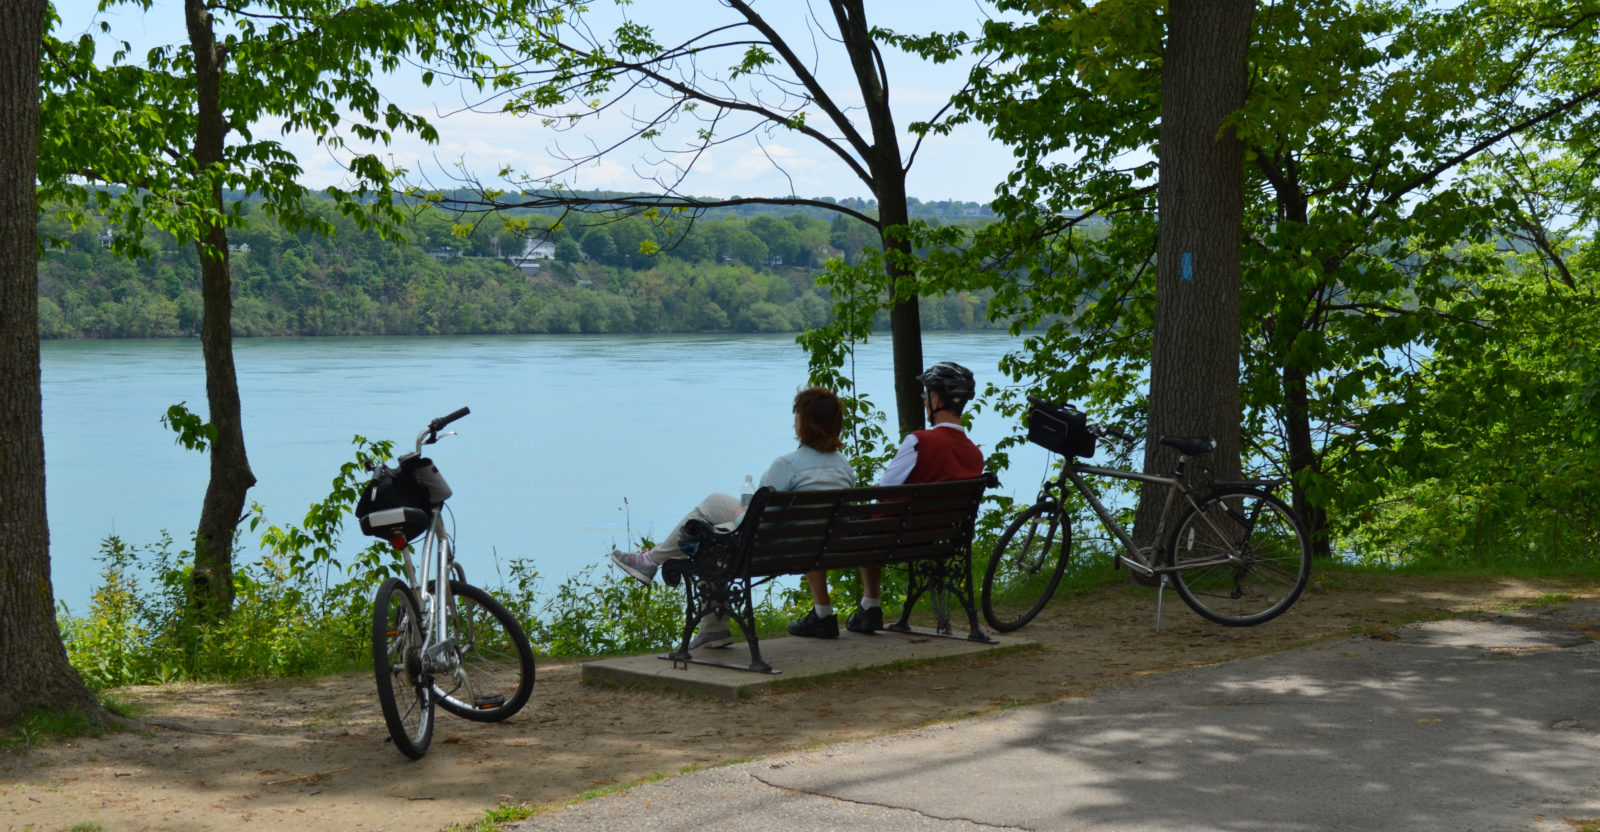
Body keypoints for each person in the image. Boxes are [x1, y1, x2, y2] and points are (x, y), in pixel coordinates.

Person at [610, 386, 855, 648]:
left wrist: (740, 517)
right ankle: (650, 560)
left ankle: (711, 626)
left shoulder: (788, 465)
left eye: (797, 413)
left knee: (707, 537)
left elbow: (757, 523)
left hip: (773, 548)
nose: (794, 419)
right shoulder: (843, 467)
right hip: (813, 546)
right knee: (713, 502)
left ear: (805, 422)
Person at [787, 362, 985, 639]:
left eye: (926, 396)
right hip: (939, 539)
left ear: (937, 400)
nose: (925, 402)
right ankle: (868, 608)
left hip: (894, 537)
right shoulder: (975, 454)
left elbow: (886, 488)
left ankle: (856, 607)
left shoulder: (919, 441)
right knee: (871, 522)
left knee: (834, 522)